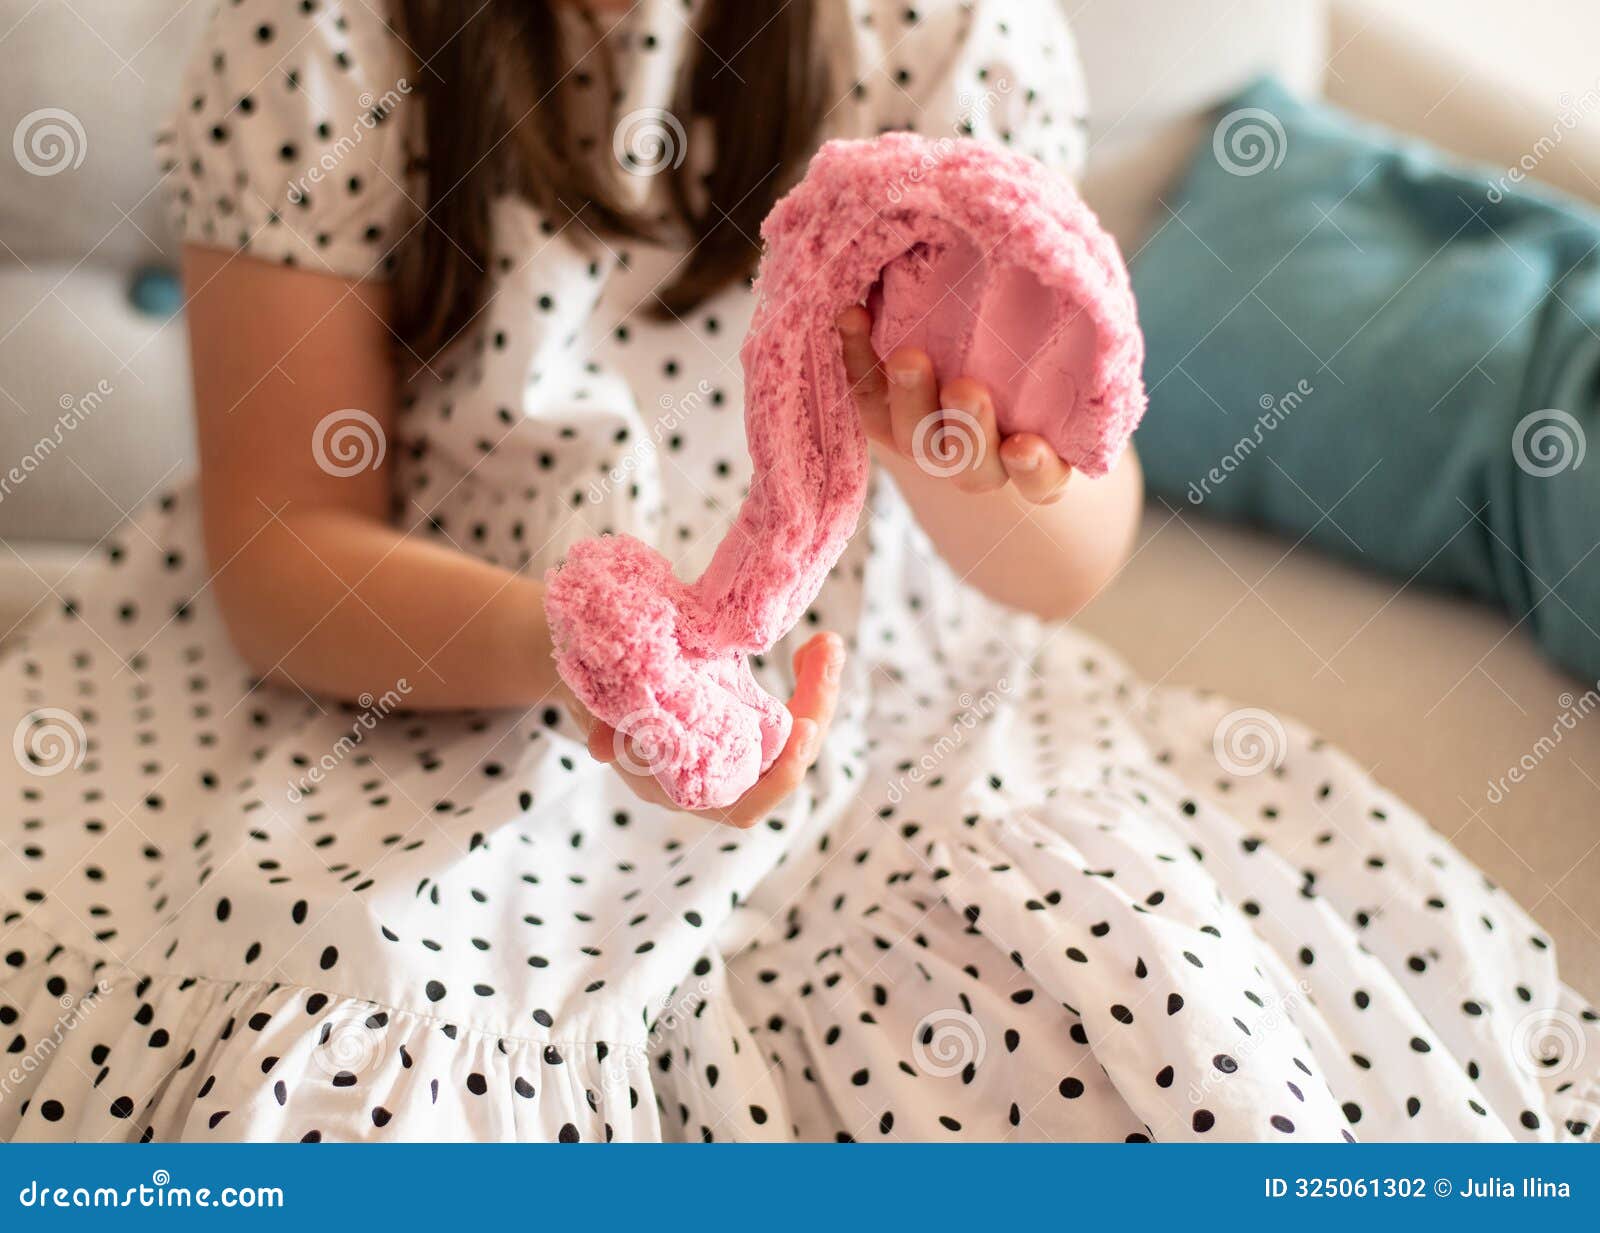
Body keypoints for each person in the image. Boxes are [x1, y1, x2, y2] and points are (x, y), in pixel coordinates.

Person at [1, 0, 1592, 1143]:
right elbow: (288, 552)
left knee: (1101, 1016)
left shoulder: (938, 36)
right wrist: (588, 654)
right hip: (431, 676)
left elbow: (1067, 557)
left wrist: (965, 459)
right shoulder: (321, 36)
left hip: (886, 693)